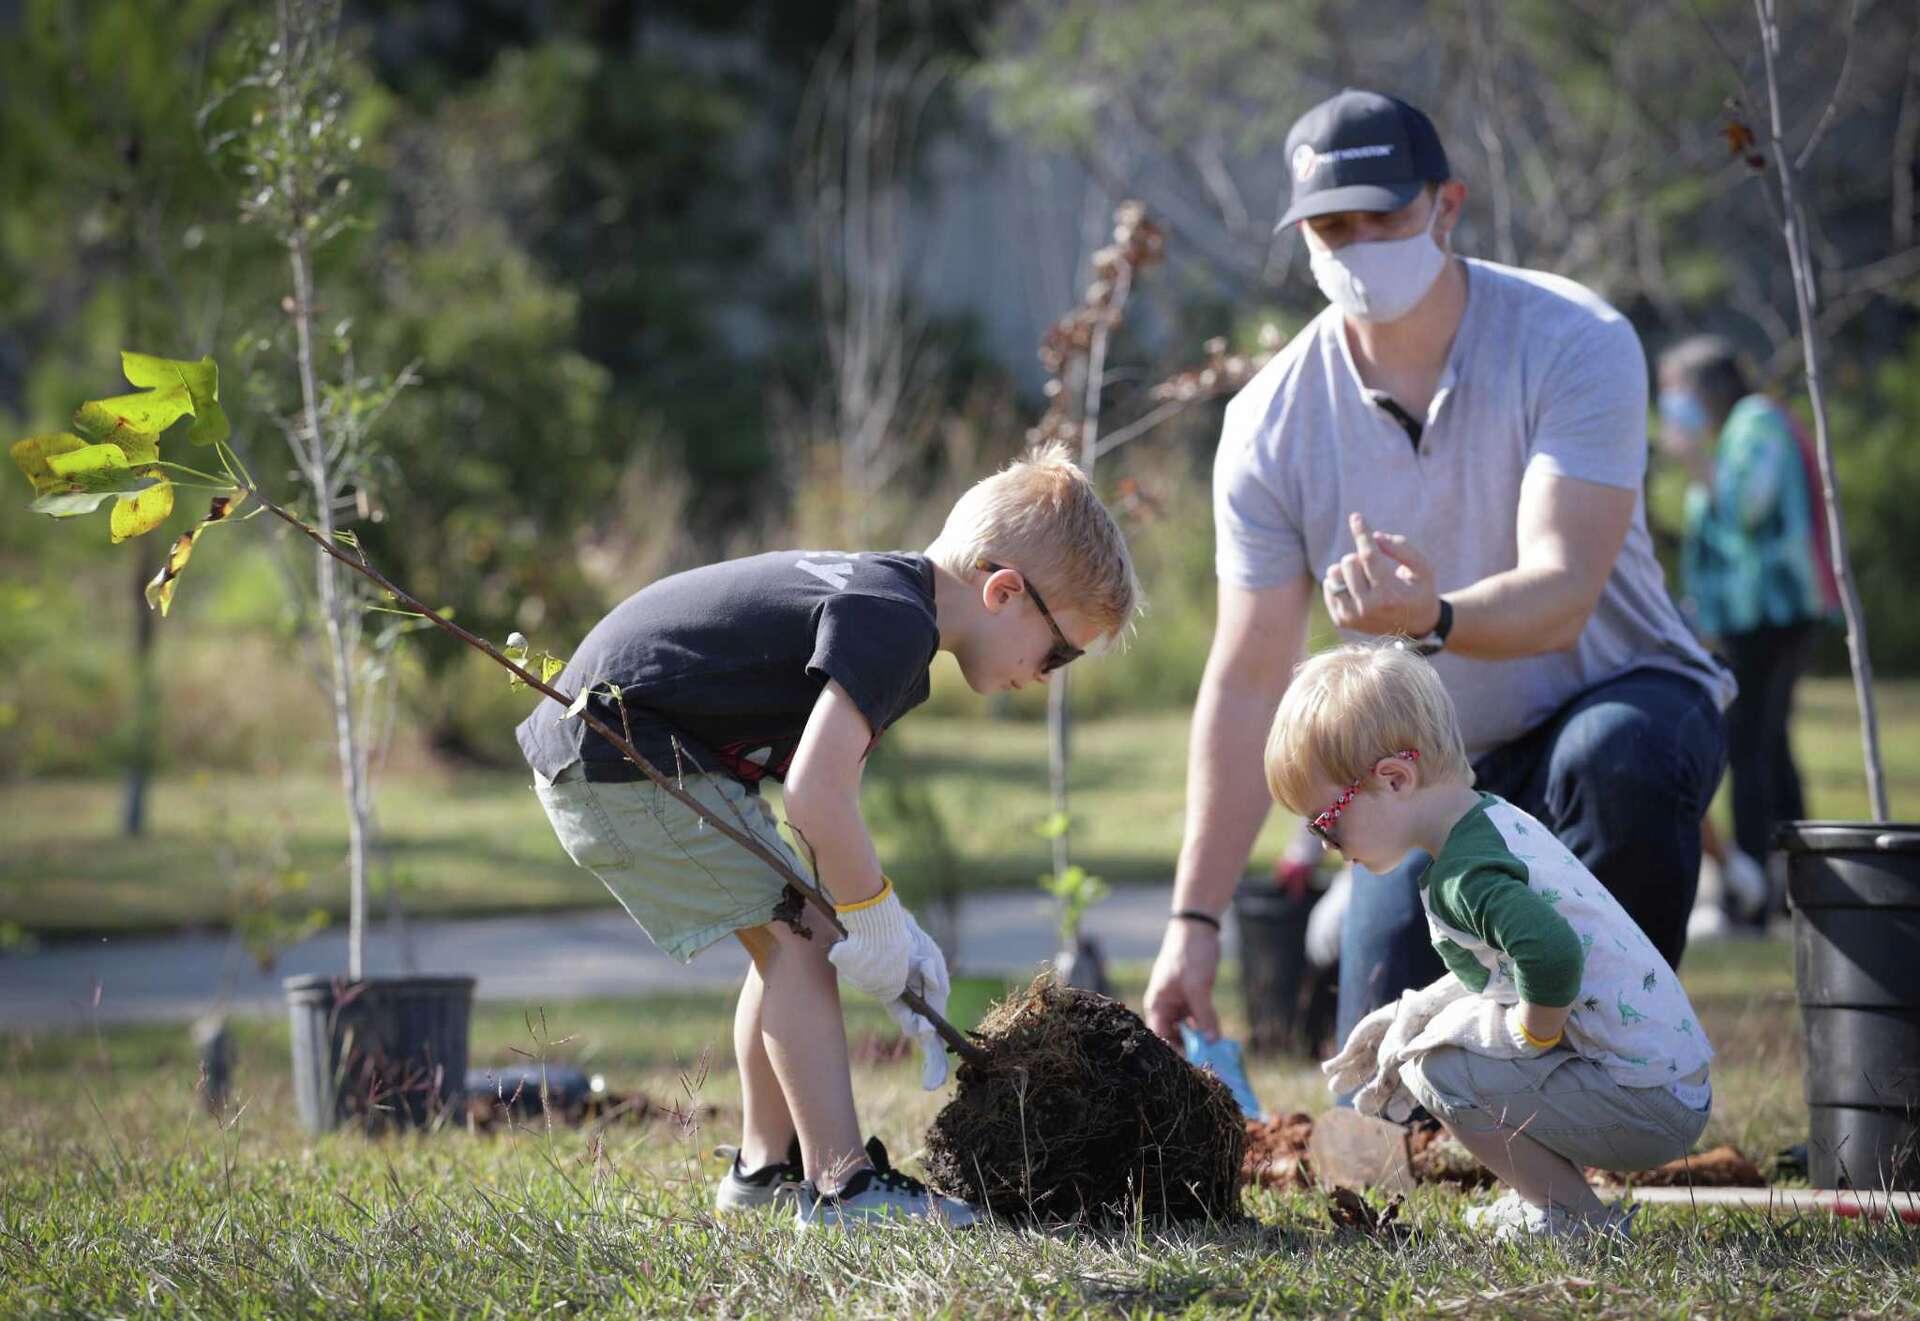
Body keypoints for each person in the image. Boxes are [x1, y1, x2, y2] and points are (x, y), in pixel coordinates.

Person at [1143, 87, 1734, 1054]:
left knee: (1613, 761)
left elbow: (1563, 593)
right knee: (1389, 1065)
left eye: (1387, 213)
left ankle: (1624, 1073)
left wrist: (1434, 615)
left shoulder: (1575, 339)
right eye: (1332, 225)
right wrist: (1193, 923)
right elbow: (1249, 678)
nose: (1360, 243)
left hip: (1620, 696)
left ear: (1448, 205)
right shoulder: (1266, 422)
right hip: (1430, 771)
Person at [516, 443, 1139, 1228]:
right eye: (1060, 650)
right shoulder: (896, 624)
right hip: (619, 751)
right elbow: (815, 796)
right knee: (800, 939)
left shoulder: (893, 604)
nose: (1050, 674)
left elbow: (823, 810)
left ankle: (762, 1168)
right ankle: (843, 1186)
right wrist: (872, 916)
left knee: (796, 924)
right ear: (1004, 591)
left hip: (643, 750)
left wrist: (887, 921)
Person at [1276, 641, 1712, 1241]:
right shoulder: (1492, 821)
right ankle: (1552, 1199)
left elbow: (1553, 956)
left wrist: (1528, 1037)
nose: (1326, 844)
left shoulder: (1466, 876)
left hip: (1649, 1107)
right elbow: (1516, 960)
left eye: (1326, 821)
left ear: (1395, 778)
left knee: (1437, 1067)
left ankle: (1575, 1219)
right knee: (1448, 1045)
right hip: (1671, 1082)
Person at [1658, 336, 1839, 928]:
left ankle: (1756, 895)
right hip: (1756, 615)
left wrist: (1693, 460)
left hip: (1768, 613)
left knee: (1748, 747)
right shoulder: (1742, 429)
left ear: (1707, 389)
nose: (1672, 407)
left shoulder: (1755, 424)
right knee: (1770, 744)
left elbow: (1746, 508)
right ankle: (1798, 887)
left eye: (1677, 393)